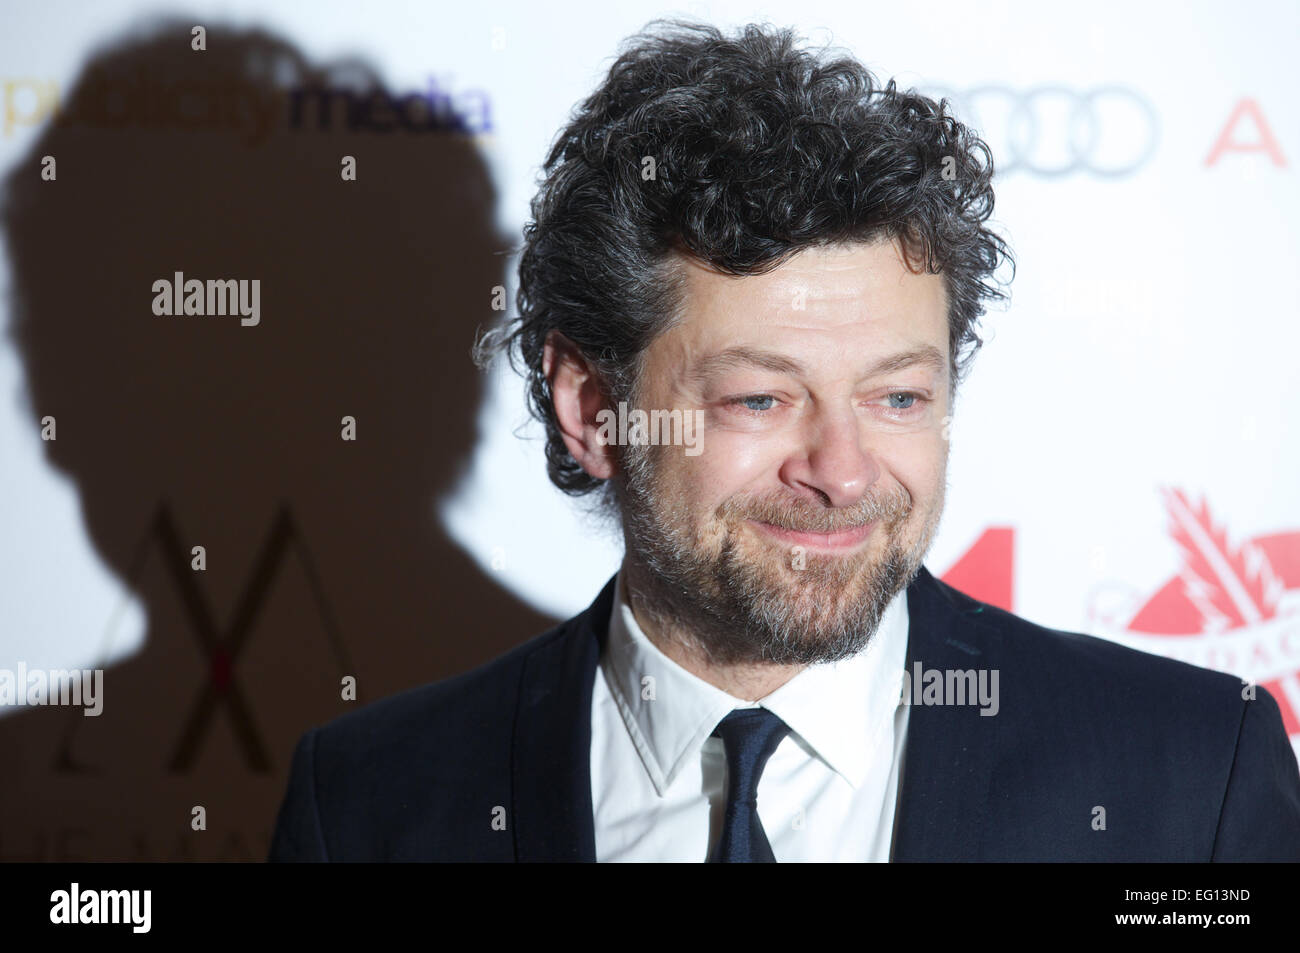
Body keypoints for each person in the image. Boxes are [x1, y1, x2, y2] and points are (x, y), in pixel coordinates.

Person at [268, 19, 1300, 862]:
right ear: (592, 410)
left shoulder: (1188, 775)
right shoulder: (367, 804)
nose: (843, 470)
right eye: (760, 400)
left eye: (897, 397)